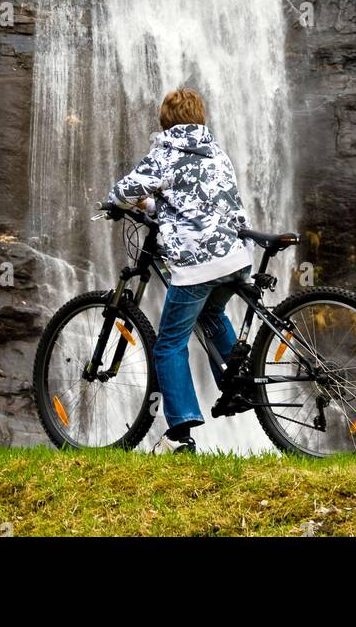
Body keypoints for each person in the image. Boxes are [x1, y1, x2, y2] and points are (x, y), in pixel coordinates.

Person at [105, 87, 254, 453]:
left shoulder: (165, 151)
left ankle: (182, 428)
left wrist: (115, 201)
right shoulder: (216, 151)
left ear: (166, 121)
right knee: (213, 313)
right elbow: (193, 200)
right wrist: (156, 206)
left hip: (198, 263)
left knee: (169, 345)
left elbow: (126, 190)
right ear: (200, 117)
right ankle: (238, 384)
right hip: (235, 255)